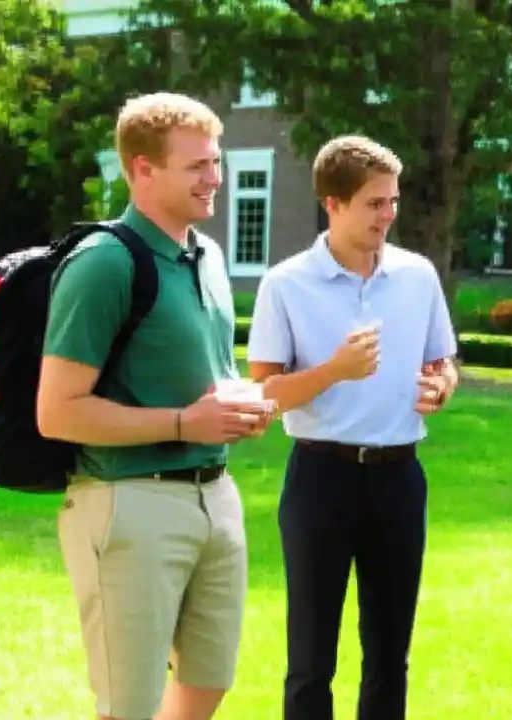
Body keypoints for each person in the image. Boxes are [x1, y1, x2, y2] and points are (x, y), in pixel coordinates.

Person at [38, 92, 270, 720]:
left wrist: (238, 404)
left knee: (208, 679)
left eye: (215, 162)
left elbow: (205, 376)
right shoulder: (104, 263)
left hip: (214, 496)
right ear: (143, 169)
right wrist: (181, 422)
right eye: (197, 165)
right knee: (129, 703)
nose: (214, 178)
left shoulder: (210, 257)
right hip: (126, 500)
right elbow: (56, 411)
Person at [246, 134, 459, 720]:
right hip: (321, 479)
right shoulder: (286, 284)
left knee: (391, 655)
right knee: (312, 658)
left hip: (399, 480)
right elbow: (261, 393)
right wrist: (334, 371)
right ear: (332, 204)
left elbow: (443, 362)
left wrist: (442, 386)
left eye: (393, 202)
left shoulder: (417, 276)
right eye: (374, 203)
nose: (388, 215)